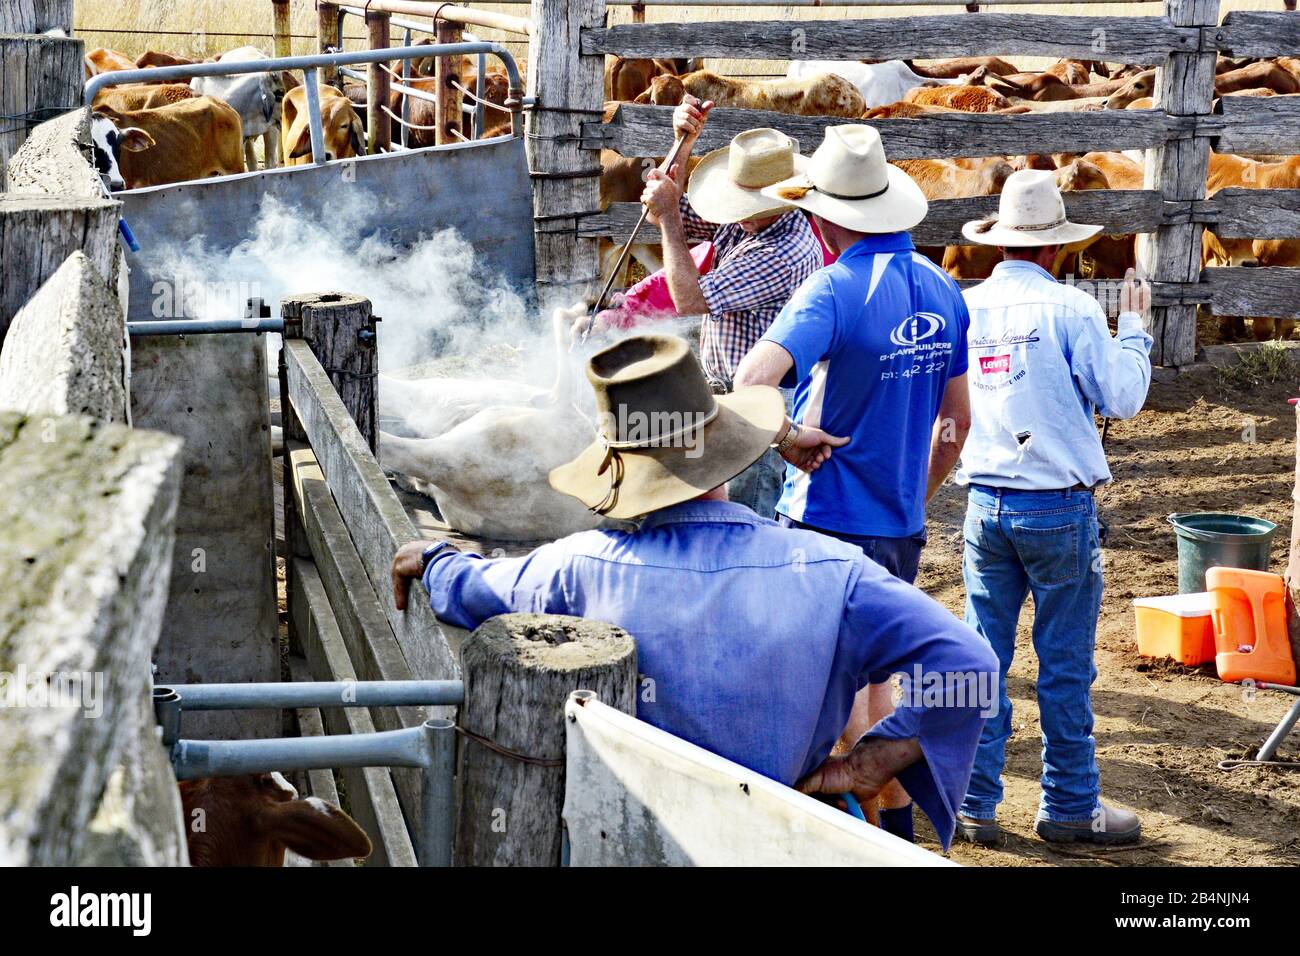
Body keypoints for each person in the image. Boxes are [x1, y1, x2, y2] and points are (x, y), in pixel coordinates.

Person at [391, 333, 998, 851]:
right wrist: (867, 765)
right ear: (725, 446)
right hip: (784, 833)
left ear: (618, 467)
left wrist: (433, 558)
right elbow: (971, 665)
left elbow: (474, 586)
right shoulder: (832, 569)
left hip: (632, 841)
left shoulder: (576, 567)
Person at [733, 124, 973, 842]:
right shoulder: (943, 288)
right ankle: (895, 838)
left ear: (822, 216)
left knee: (821, 698)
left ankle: (832, 840)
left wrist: (787, 436)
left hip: (824, 519)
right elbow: (956, 425)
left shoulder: (830, 289)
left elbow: (752, 380)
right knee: (884, 686)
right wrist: (914, 496)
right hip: (898, 526)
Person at [952, 169, 1153, 846]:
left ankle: (974, 800)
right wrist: (1135, 332)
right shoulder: (1072, 310)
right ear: (1057, 249)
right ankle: (1068, 804)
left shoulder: (967, 308)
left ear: (1002, 243)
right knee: (1064, 664)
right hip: (1058, 506)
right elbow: (1122, 398)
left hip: (986, 500)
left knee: (984, 657)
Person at [586, 95, 823, 518]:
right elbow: (675, 213)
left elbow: (689, 298)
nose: (740, 214)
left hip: (760, 409)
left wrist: (669, 216)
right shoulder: (750, 220)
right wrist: (684, 143)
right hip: (726, 396)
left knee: (744, 520)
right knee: (720, 512)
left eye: (751, 206)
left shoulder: (784, 250)